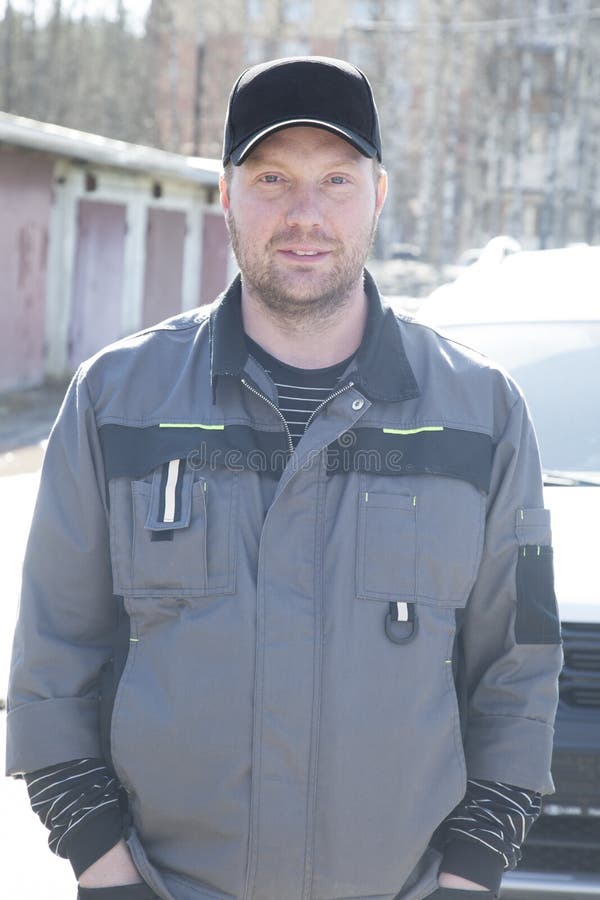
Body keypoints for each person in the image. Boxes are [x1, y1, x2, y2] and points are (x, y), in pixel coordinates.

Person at [6, 57, 562, 900]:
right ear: (226, 195)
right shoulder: (116, 401)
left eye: (336, 179)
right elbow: (52, 662)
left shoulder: (482, 413)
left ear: (378, 195)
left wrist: (470, 874)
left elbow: (520, 672)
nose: (306, 214)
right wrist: (104, 869)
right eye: (272, 178)